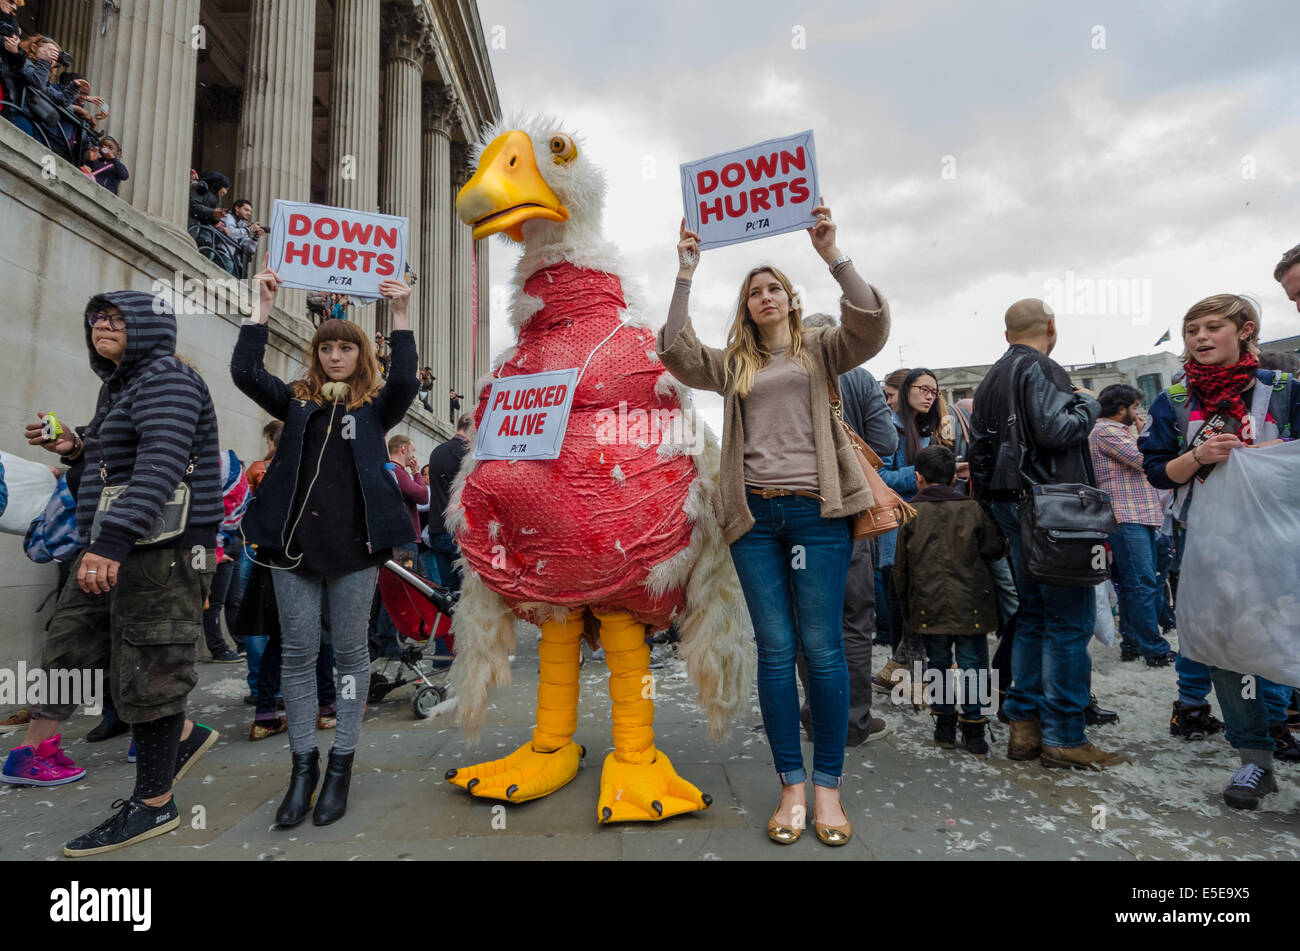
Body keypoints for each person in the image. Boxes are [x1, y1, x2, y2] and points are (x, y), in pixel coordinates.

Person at [659, 205, 890, 846]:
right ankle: (791, 785)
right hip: (754, 516)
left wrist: (832, 255)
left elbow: (870, 325)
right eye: (754, 292)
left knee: (822, 649)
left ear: (790, 300)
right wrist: (685, 272)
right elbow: (675, 353)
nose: (764, 297)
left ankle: (828, 790)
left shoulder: (822, 348)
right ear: (747, 307)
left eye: (773, 289)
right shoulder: (734, 363)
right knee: (776, 651)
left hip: (818, 515)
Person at [0, 292, 223, 856]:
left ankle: (153, 805)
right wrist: (74, 445)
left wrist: (113, 542)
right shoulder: (118, 386)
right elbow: (111, 457)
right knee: (71, 642)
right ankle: (175, 738)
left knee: (151, 664)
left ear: (148, 327)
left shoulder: (169, 378)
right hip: (109, 544)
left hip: (162, 549)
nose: (101, 324)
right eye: (96, 317)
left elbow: (161, 464)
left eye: (117, 318)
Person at [231, 262, 417, 828]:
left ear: (360, 356)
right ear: (317, 357)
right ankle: (302, 768)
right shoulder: (295, 402)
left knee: (352, 657)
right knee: (297, 656)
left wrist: (402, 313)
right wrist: (260, 308)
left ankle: (340, 766)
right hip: (293, 551)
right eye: (327, 348)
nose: (336, 356)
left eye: (345, 349)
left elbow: (405, 381)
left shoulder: (372, 410)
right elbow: (244, 371)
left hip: (355, 551)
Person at [1138, 292, 1300, 808]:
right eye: (1192, 331)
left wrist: (1271, 454)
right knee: (1226, 648)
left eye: (1212, 327)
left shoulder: (1284, 391)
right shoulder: (1177, 401)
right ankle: (1255, 760)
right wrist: (1199, 455)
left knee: (1287, 638)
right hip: (1211, 544)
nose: (1201, 338)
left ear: (1246, 330)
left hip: (1283, 542)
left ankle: (1278, 727)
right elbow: (1157, 470)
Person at [970, 298, 1126, 770]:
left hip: (1011, 507)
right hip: (1053, 514)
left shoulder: (991, 379)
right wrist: (1090, 402)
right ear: (1052, 327)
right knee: (1068, 623)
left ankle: (1025, 727)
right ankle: (1064, 734)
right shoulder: (1044, 368)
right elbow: (1058, 430)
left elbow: (978, 453)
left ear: (1006, 333)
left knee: (1034, 617)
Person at [796, 313, 896, 746]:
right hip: (849, 510)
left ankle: (815, 717)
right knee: (854, 621)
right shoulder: (857, 375)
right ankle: (853, 721)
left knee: (808, 620)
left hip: (797, 508)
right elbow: (887, 443)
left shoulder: (784, 372)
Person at [894, 445, 1006, 754]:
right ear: (954, 476)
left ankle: (944, 725)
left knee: (939, 663)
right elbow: (993, 549)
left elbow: (901, 569)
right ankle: (974, 730)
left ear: (918, 478)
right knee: (973, 665)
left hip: (928, 604)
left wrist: (907, 609)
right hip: (971, 603)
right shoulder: (971, 508)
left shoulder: (910, 512)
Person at [872, 367, 953, 701]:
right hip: (898, 532)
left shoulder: (930, 430)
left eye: (934, 390)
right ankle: (907, 677)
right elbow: (879, 479)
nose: (929, 395)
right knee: (904, 607)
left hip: (930, 528)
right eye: (922, 388)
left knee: (918, 607)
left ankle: (898, 672)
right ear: (905, 391)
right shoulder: (889, 428)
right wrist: (924, 474)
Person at [1089, 384, 1176, 666]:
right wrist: (1146, 432)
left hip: (1137, 514)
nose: (1137, 412)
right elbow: (1146, 461)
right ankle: (1154, 648)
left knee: (1132, 585)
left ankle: (1133, 643)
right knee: (1142, 583)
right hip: (1127, 515)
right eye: (1135, 407)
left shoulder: (1116, 432)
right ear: (1121, 408)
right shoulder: (1106, 431)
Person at [201, 449, 250, 662]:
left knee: (234, 600)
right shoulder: (215, 501)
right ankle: (218, 649)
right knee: (215, 603)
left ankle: (240, 643)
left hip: (233, 547)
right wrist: (217, 553)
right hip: (220, 549)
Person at [424, 413, 473, 596]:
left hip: (437, 528)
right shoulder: (465, 454)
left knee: (448, 590)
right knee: (465, 592)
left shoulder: (437, 451)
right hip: (457, 531)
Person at [219, 199, 263, 278]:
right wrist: (248, 229)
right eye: (246, 210)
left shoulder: (242, 224)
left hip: (235, 261)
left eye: (250, 211)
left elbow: (249, 249)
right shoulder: (228, 217)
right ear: (237, 208)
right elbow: (230, 233)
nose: (249, 213)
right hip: (224, 255)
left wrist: (255, 238)